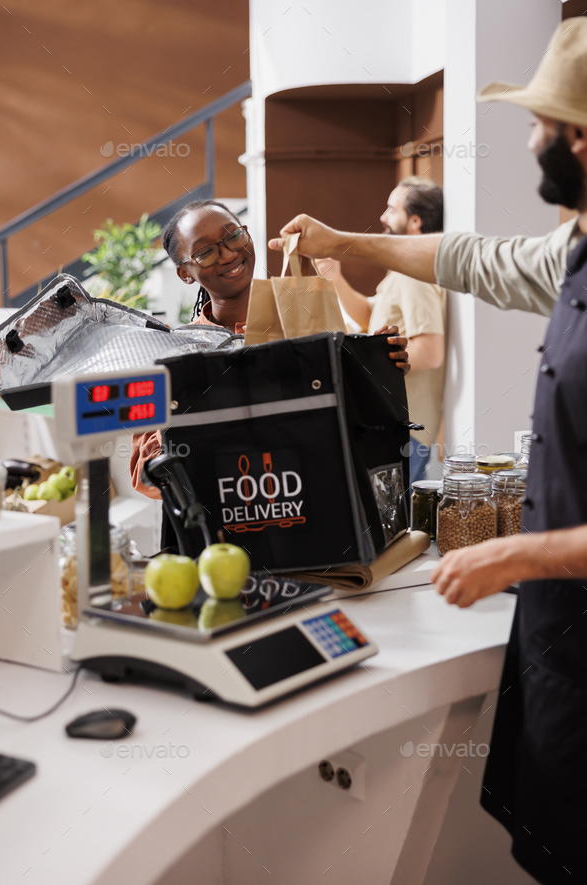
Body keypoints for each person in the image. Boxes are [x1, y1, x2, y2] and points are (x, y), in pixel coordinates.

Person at [269, 18, 587, 884]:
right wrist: (344, 244)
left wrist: (520, 548)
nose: (529, 139)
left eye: (541, 123)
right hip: (565, 637)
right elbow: (468, 259)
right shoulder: (576, 249)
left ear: (581, 138)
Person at [130, 199, 411, 500]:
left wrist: (376, 363)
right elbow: (145, 474)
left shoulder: (306, 319)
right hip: (234, 519)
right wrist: (185, 419)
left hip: (319, 502)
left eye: (234, 236)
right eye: (205, 252)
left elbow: (353, 416)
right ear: (185, 273)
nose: (227, 254)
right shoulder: (178, 356)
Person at [314, 177, 446, 482]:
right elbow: (370, 314)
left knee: (392, 525)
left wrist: (365, 366)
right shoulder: (404, 271)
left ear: (414, 221)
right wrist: (335, 277)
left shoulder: (415, 273)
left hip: (404, 430)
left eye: (391, 209)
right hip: (397, 426)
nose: (383, 217)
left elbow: (429, 350)